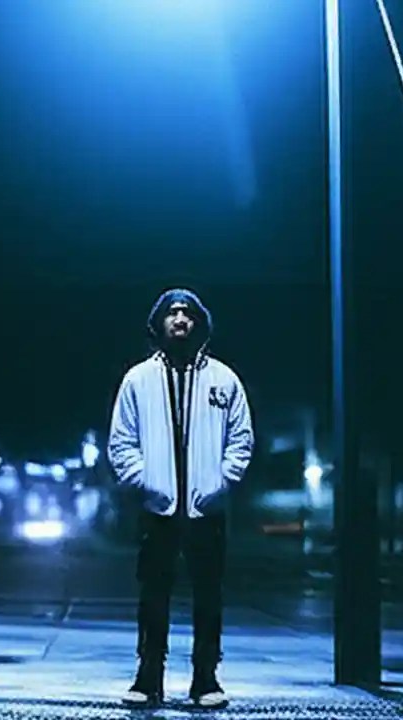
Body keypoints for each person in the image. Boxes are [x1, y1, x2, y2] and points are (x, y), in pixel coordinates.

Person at [108, 288, 254, 708]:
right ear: (158, 323)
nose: (179, 319)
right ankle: (147, 677)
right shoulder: (137, 379)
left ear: (199, 322)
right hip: (159, 509)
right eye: (171, 312)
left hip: (207, 509)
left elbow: (240, 439)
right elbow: (122, 440)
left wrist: (221, 482)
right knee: (153, 596)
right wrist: (145, 482)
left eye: (187, 313)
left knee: (209, 596)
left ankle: (205, 680)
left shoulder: (224, 379)